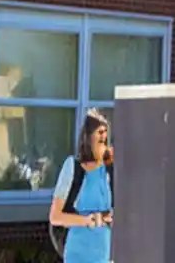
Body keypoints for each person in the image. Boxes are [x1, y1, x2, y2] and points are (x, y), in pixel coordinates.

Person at [48, 109, 114, 263]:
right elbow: (55, 216)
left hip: (103, 251)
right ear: (88, 138)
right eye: (100, 138)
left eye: (106, 140)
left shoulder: (109, 169)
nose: (103, 144)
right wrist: (86, 220)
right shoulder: (72, 167)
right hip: (78, 251)